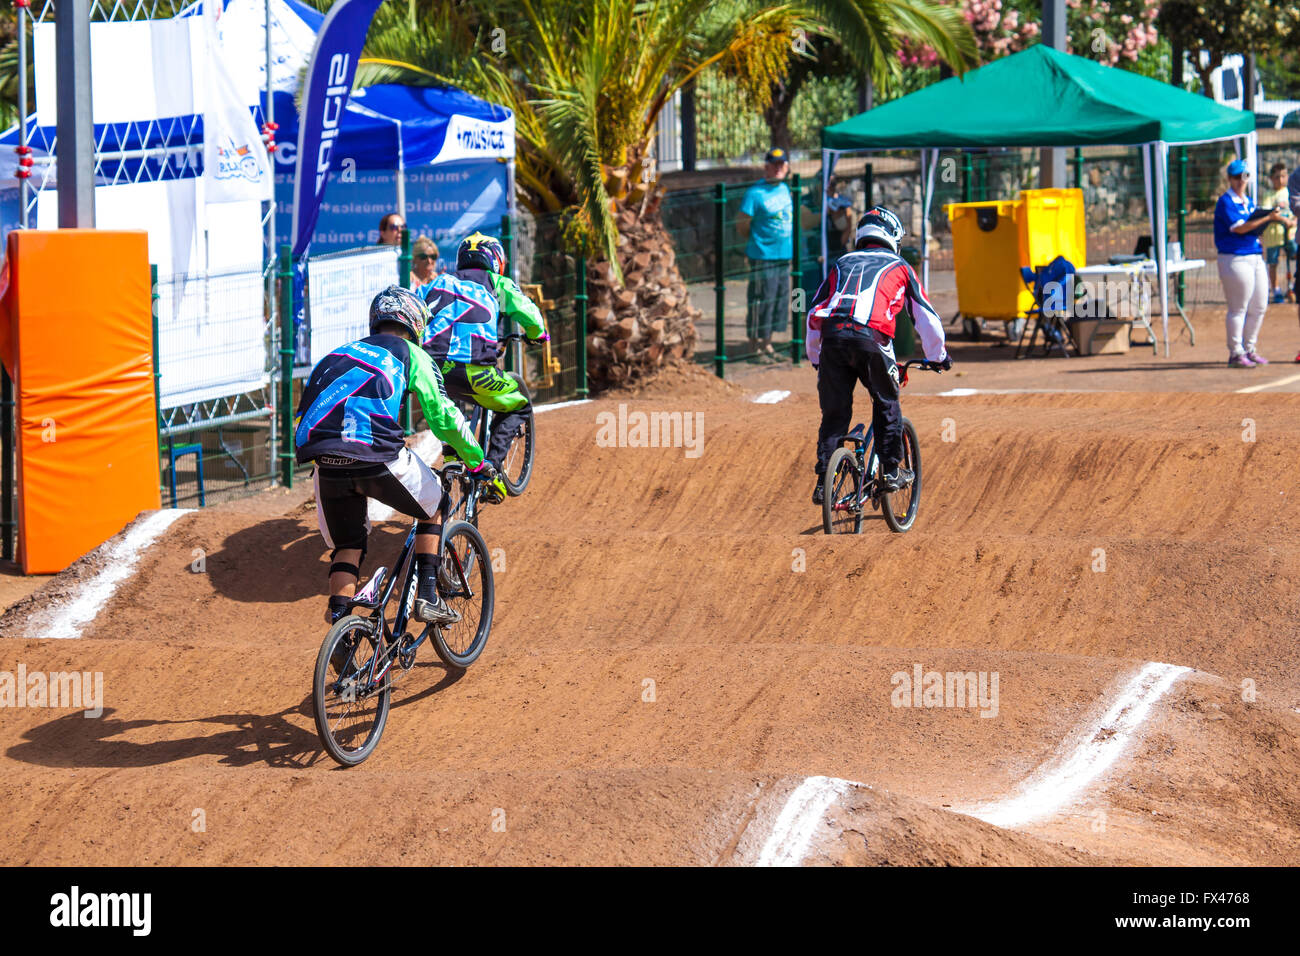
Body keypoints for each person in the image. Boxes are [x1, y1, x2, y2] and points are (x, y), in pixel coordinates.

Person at [294, 285, 493, 627]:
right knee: (437, 506)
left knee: (348, 545)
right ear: (414, 322)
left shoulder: (334, 355)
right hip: (376, 457)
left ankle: (341, 626)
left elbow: (302, 415)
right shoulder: (410, 354)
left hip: (325, 463)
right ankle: (428, 597)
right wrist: (475, 460)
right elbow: (443, 415)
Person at [806, 206, 951, 505]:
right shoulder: (900, 266)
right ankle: (890, 471)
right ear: (893, 236)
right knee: (886, 401)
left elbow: (813, 313)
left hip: (833, 339)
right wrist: (938, 356)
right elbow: (926, 318)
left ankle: (824, 481)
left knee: (834, 414)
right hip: (871, 336)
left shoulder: (841, 263)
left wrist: (817, 358)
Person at [417, 232, 548, 502]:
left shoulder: (438, 282)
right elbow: (530, 314)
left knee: (446, 403)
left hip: (428, 370)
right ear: (496, 260)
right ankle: (494, 470)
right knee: (518, 404)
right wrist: (539, 334)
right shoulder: (497, 283)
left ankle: (452, 454)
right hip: (474, 372)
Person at [1214, 159, 1285, 368]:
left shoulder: (1248, 201)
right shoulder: (1226, 202)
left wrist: (1264, 221)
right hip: (1234, 257)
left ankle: (1249, 348)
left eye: (1243, 177)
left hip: (1254, 256)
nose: (1240, 181)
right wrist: (1267, 218)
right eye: (1236, 177)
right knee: (1238, 307)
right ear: (1229, 179)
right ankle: (1236, 352)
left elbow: (1252, 227)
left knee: (1260, 305)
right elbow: (1240, 228)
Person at [738, 148, 794, 363]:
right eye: (775, 164)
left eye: (782, 164)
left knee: (779, 300)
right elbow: (742, 224)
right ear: (767, 167)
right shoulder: (755, 193)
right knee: (761, 300)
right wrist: (756, 244)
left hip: (784, 256)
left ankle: (767, 344)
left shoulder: (785, 189)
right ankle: (754, 348)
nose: (779, 168)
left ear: (786, 167)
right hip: (763, 256)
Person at [1260, 163, 1296, 304]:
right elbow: (1269, 212)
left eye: (1283, 176)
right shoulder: (1269, 195)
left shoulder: (1290, 192)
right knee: (1273, 262)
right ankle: (1276, 290)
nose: (1280, 180)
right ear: (1271, 178)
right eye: (1277, 177)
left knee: (1295, 256)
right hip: (1274, 235)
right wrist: (1283, 220)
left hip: (1290, 235)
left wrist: (1293, 220)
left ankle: (1293, 286)